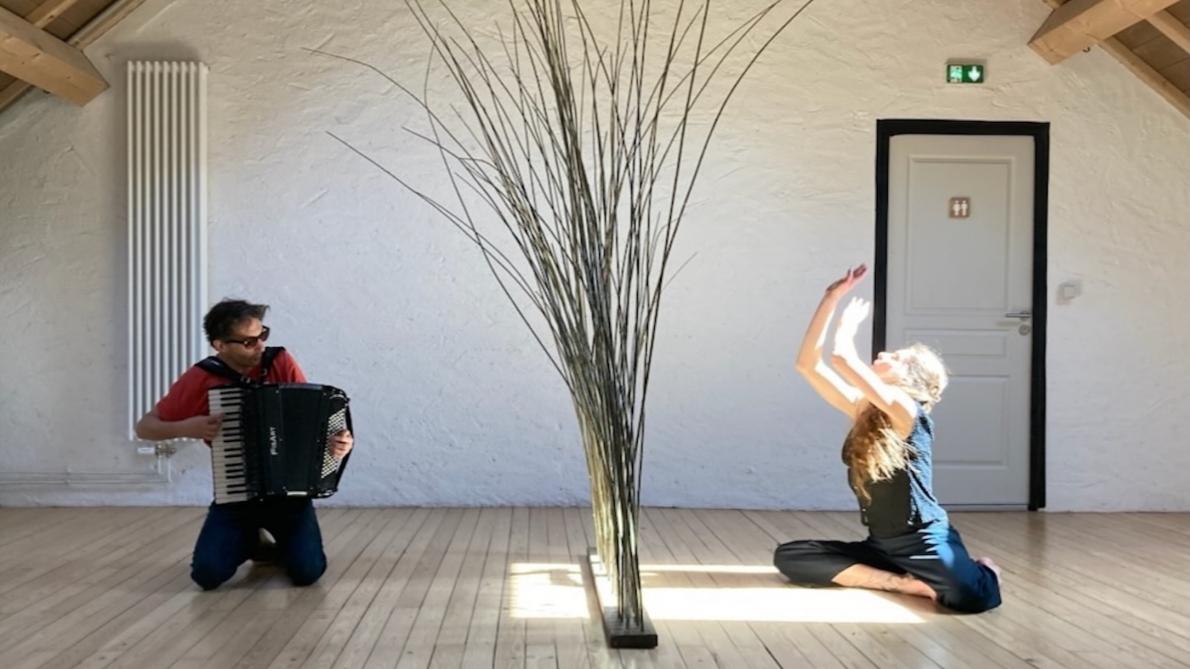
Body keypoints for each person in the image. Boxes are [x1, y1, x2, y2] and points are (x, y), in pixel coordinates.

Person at [773, 265, 1002, 613]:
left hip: (925, 540)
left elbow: (841, 357)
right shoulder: (862, 409)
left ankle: (985, 569)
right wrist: (831, 297)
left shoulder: (909, 412)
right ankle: (905, 583)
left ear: (912, 379)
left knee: (970, 597)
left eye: (895, 357)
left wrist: (848, 329)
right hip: (882, 544)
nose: (882, 355)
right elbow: (808, 364)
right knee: (792, 556)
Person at [135, 299, 353, 590]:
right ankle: (253, 542)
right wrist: (187, 427)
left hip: (289, 495)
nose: (260, 346)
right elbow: (145, 427)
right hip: (237, 494)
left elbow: (310, 420)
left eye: (262, 335)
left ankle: (270, 543)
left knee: (308, 572)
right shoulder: (203, 377)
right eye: (249, 342)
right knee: (207, 575)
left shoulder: (280, 362)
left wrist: (336, 442)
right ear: (220, 345)